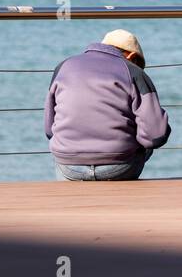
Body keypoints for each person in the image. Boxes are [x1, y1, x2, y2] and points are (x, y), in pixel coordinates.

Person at [44, 29, 171, 180]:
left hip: (69, 166)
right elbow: (156, 136)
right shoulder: (134, 72)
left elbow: (49, 129)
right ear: (131, 56)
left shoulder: (63, 67)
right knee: (146, 146)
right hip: (119, 166)